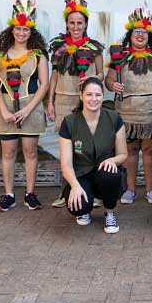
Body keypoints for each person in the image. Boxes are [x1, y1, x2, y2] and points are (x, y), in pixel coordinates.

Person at [0, 0, 50, 212]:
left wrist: (27, 109)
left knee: (30, 152)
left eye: (26, 29)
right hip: (5, 109)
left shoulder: (38, 54)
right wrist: (4, 110)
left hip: (30, 108)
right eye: (18, 29)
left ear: (31, 30)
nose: (22, 33)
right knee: (8, 153)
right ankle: (8, 194)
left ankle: (30, 193)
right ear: (12, 29)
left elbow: (44, 84)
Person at [105, 3, 152, 205]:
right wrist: (112, 84)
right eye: (136, 32)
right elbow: (108, 79)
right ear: (130, 34)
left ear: (149, 35)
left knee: (150, 150)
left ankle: (150, 189)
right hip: (128, 114)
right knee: (130, 151)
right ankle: (131, 189)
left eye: (144, 32)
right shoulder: (120, 57)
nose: (140, 35)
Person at [47, 0, 104, 208]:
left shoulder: (94, 48)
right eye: (72, 23)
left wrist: (91, 78)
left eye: (80, 23)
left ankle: (94, 191)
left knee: (89, 146)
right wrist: (50, 102)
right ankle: (66, 190)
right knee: (66, 147)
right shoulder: (59, 48)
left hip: (86, 102)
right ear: (67, 24)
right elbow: (54, 76)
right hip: (63, 99)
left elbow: (100, 73)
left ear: (86, 24)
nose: (76, 27)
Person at [59, 77, 127, 233]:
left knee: (110, 175)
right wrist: (75, 186)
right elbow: (66, 164)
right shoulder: (69, 122)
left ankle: (109, 212)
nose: (94, 99)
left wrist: (112, 160)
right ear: (81, 96)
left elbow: (123, 154)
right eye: (89, 94)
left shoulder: (114, 118)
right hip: (81, 173)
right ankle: (85, 209)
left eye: (98, 95)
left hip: (105, 173)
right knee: (78, 207)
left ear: (103, 96)